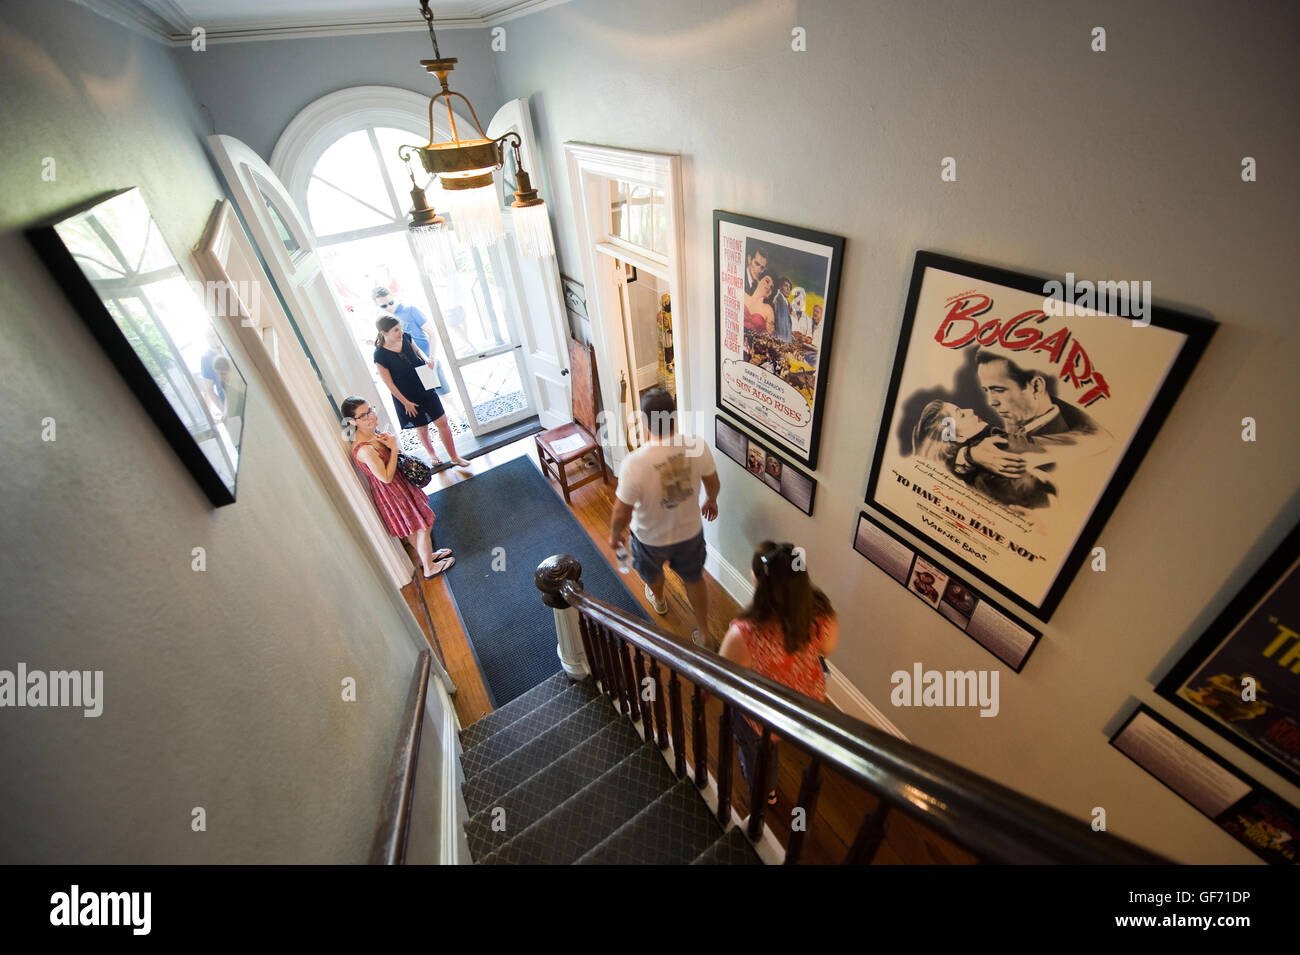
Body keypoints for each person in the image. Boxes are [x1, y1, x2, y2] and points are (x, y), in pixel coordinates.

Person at [718, 541, 839, 805]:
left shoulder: (745, 634)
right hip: (803, 707)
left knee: (757, 749)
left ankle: (765, 791)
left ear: (763, 587)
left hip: (763, 714)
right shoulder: (823, 615)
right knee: (771, 743)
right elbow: (825, 652)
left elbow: (723, 676)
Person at [609, 387, 721, 650]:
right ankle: (705, 634)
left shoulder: (634, 463)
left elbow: (621, 511)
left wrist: (615, 535)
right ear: (674, 416)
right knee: (694, 578)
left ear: (646, 422)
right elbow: (713, 482)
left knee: (653, 572)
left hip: (650, 538)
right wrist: (711, 499)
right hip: (690, 533)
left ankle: (659, 600)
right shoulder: (696, 445)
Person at [950, 351, 1111, 509]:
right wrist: (969, 454)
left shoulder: (1007, 447)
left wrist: (969, 454)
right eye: (987, 390)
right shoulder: (1004, 431)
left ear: (1035, 387)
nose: (991, 402)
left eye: (998, 390)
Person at [340, 396, 454, 579]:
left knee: (411, 528)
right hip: (392, 492)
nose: (370, 416)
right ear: (352, 422)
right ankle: (429, 568)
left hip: (398, 487)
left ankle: (427, 558)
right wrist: (393, 448)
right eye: (363, 415)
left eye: (370, 410)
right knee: (425, 522)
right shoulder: (364, 449)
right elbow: (385, 478)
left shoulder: (372, 434)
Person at [373, 317, 471, 469]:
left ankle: (454, 456)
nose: (401, 332)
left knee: (442, 421)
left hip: (425, 386)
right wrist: (405, 402)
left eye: (400, 328)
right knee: (422, 427)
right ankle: (432, 454)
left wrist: (427, 359)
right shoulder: (380, 354)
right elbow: (388, 382)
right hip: (407, 396)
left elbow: (417, 351)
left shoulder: (406, 337)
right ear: (384, 332)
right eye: (396, 330)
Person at [373, 286, 434, 359]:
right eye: (384, 306)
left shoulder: (411, 310)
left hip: (427, 358)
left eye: (391, 303)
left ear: (393, 296)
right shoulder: (381, 320)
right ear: (376, 304)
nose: (389, 307)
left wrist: (432, 357)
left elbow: (431, 333)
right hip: (407, 363)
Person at [772, 277, 793, 342]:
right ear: (780, 287)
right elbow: (781, 327)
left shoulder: (784, 301)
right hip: (782, 342)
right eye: (786, 286)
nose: (788, 289)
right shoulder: (780, 301)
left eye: (789, 287)